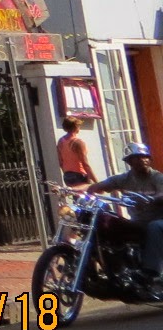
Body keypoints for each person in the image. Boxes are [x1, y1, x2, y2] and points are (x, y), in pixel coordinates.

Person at [87, 142, 163, 279]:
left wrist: (152, 198)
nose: (143, 160)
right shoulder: (125, 178)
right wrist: (89, 190)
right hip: (138, 222)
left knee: (154, 226)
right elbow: (102, 185)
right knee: (110, 224)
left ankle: (152, 272)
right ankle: (115, 266)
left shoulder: (157, 177)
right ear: (129, 161)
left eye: (145, 157)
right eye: (137, 157)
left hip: (159, 221)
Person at [57, 116, 98, 186]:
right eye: (78, 126)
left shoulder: (61, 141)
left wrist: (66, 173)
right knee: (88, 196)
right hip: (79, 175)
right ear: (75, 127)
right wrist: (97, 182)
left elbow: (60, 162)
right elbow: (85, 164)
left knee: (76, 196)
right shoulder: (78, 143)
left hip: (67, 175)